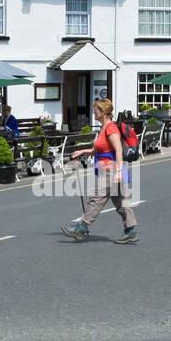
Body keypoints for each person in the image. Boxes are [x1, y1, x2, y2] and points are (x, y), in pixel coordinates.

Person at [61, 98, 138, 244]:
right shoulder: (104, 128)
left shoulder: (110, 128)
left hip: (111, 170)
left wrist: (119, 172)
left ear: (102, 113)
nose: (93, 112)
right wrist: (82, 151)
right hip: (109, 170)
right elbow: (97, 150)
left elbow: (118, 149)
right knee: (121, 202)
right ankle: (131, 231)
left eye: (96, 110)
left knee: (96, 199)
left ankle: (81, 228)